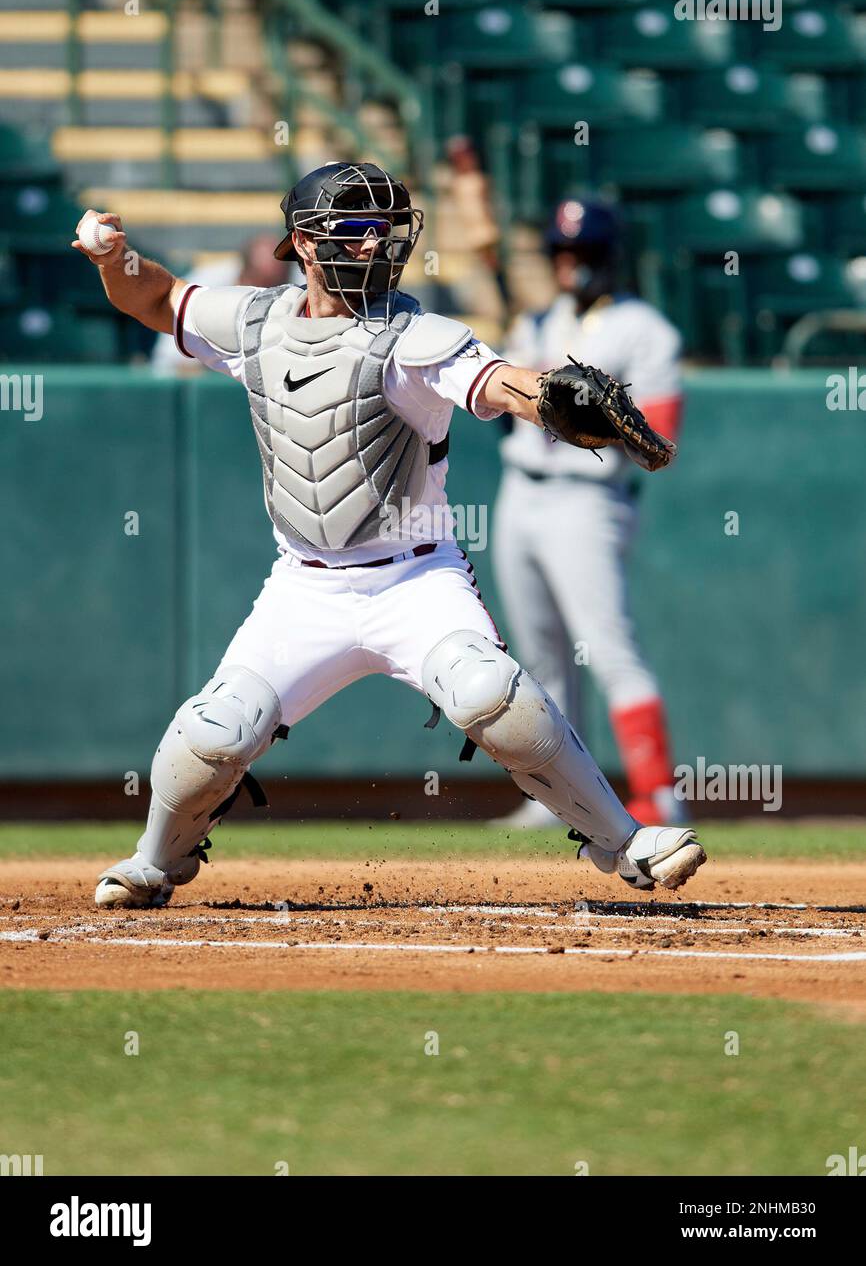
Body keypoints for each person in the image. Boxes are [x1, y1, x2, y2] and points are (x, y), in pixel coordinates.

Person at [70, 162, 705, 909]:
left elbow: (499, 381)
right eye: (357, 230)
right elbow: (156, 298)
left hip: (416, 580)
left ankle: (626, 840)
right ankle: (153, 861)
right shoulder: (253, 321)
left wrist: (554, 398)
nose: (378, 246)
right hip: (302, 586)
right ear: (304, 244)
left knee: (489, 692)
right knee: (214, 731)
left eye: (387, 230)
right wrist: (115, 260)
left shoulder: (414, 335)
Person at [493, 198, 684, 828]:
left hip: (588, 499)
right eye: (563, 252)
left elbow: (661, 440)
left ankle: (659, 796)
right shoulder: (537, 322)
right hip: (520, 490)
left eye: (586, 253)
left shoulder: (645, 329)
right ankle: (556, 797)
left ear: (609, 258)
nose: (572, 264)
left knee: (607, 649)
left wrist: (603, 421)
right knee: (540, 655)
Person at [149, 234, 290, 375]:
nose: (269, 293)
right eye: (263, 283)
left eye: (275, 285)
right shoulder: (207, 286)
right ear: (244, 274)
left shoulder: (298, 289)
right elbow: (169, 364)